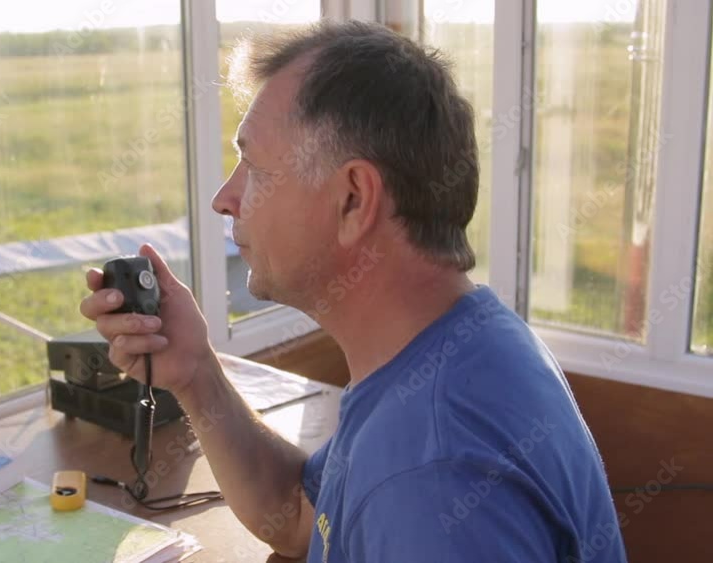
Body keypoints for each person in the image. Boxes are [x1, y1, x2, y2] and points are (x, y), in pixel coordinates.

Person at [80, 20, 626, 563]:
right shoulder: (449, 346)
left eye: (253, 165)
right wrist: (196, 374)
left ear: (352, 200)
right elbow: (300, 518)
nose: (226, 198)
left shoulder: (428, 481)